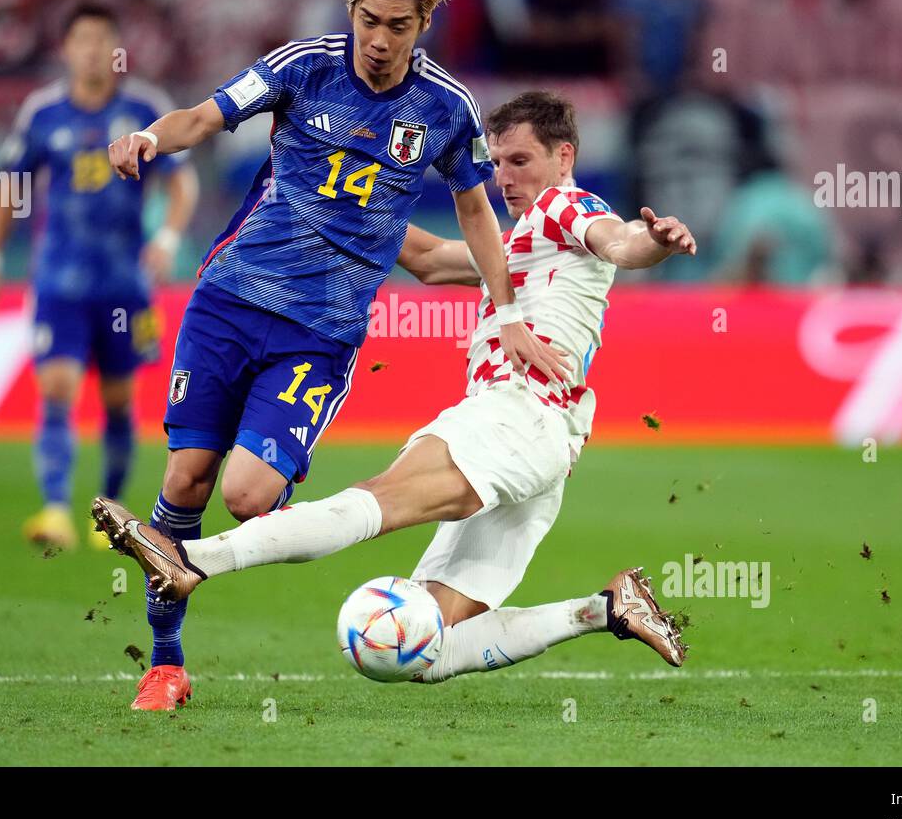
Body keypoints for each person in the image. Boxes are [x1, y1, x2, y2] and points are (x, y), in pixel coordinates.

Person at [94, 90, 696, 690]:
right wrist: (339, 191)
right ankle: (604, 609)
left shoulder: (566, 208)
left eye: (521, 162)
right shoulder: (518, 246)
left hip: (515, 417)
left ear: (564, 157)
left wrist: (655, 242)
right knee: (427, 648)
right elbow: (431, 258)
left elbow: (618, 240)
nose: (505, 180)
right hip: (545, 449)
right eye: (497, 165)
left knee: (373, 502)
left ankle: (193, 560)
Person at [102, 0, 566, 710]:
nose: (381, 41)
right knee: (186, 478)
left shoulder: (445, 109)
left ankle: (274, 497)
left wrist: (511, 310)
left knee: (250, 496)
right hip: (230, 300)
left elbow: (476, 211)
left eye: (400, 27)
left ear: (424, 28)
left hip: (320, 333)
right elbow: (203, 116)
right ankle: (166, 661)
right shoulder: (303, 66)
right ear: (351, 11)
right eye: (370, 21)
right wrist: (150, 136)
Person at [0, 1, 199, 551]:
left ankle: (110, 518)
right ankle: (54, 509)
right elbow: (10, 185)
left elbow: (182, 182)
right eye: (83, 40)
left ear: (117, 49)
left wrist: (168, 239)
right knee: (57, 387)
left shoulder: (147, 109)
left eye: (103, 39)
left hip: (126, 283)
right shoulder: (43, 113)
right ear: (67, 49)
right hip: (59, 281)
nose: (93, 49)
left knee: (120, 399)